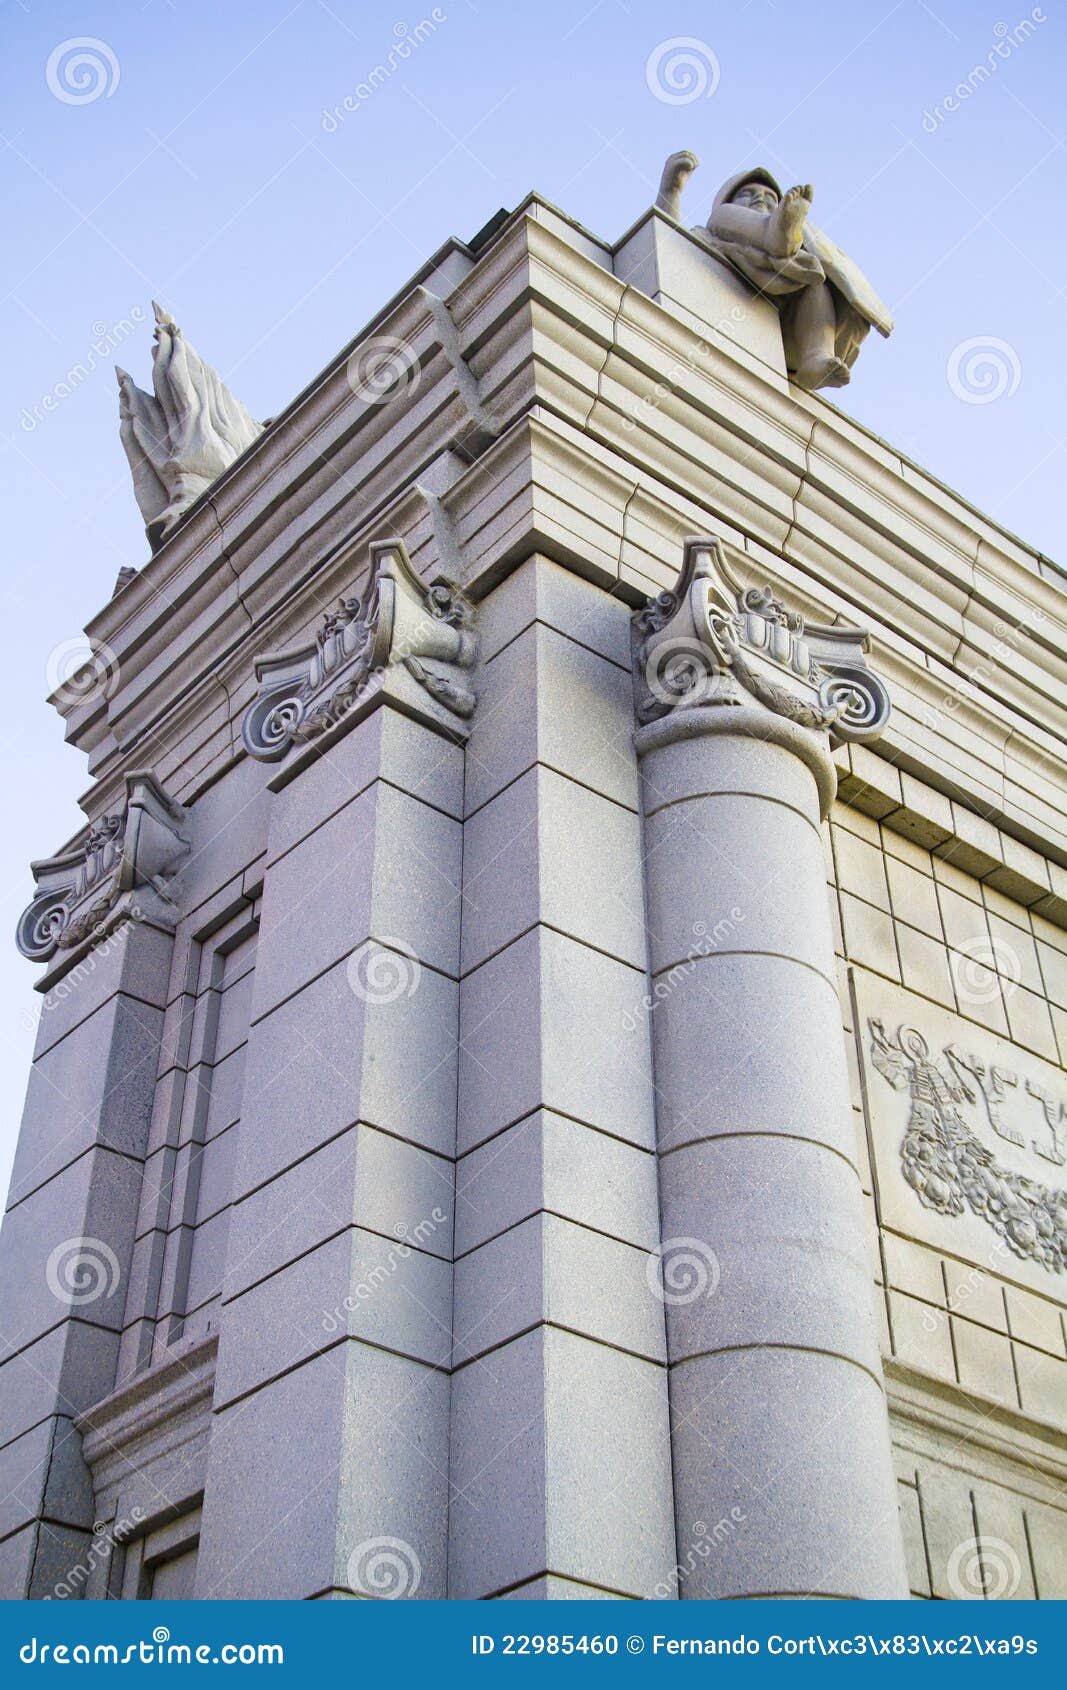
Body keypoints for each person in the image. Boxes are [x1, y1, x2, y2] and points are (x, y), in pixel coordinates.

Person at [656, 152, 893, 391]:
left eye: (770, 198)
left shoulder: (803, 267)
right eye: (747, 195)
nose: (760, 200)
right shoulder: (711, 234)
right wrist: (670, 192)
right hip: (725, 306)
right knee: (724, 218)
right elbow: (667, 248)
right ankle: (777, 236)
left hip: (792, 335)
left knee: (814, 277)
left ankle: (816, 355)